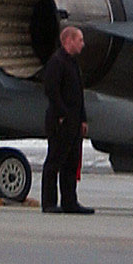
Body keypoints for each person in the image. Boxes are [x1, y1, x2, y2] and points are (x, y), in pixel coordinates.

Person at [40, 26, 93, 215]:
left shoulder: (73, 64)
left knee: (71, 163)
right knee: (55, 161)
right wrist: (63, 114)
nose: (82, 44)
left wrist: (83, 119)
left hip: (75, 122)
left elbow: (79, 94)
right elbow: (51, 91)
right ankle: (49, 202)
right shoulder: (57, 62)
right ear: (68, 41)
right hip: (60, 121)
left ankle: (70, 201)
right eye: (80, 40)